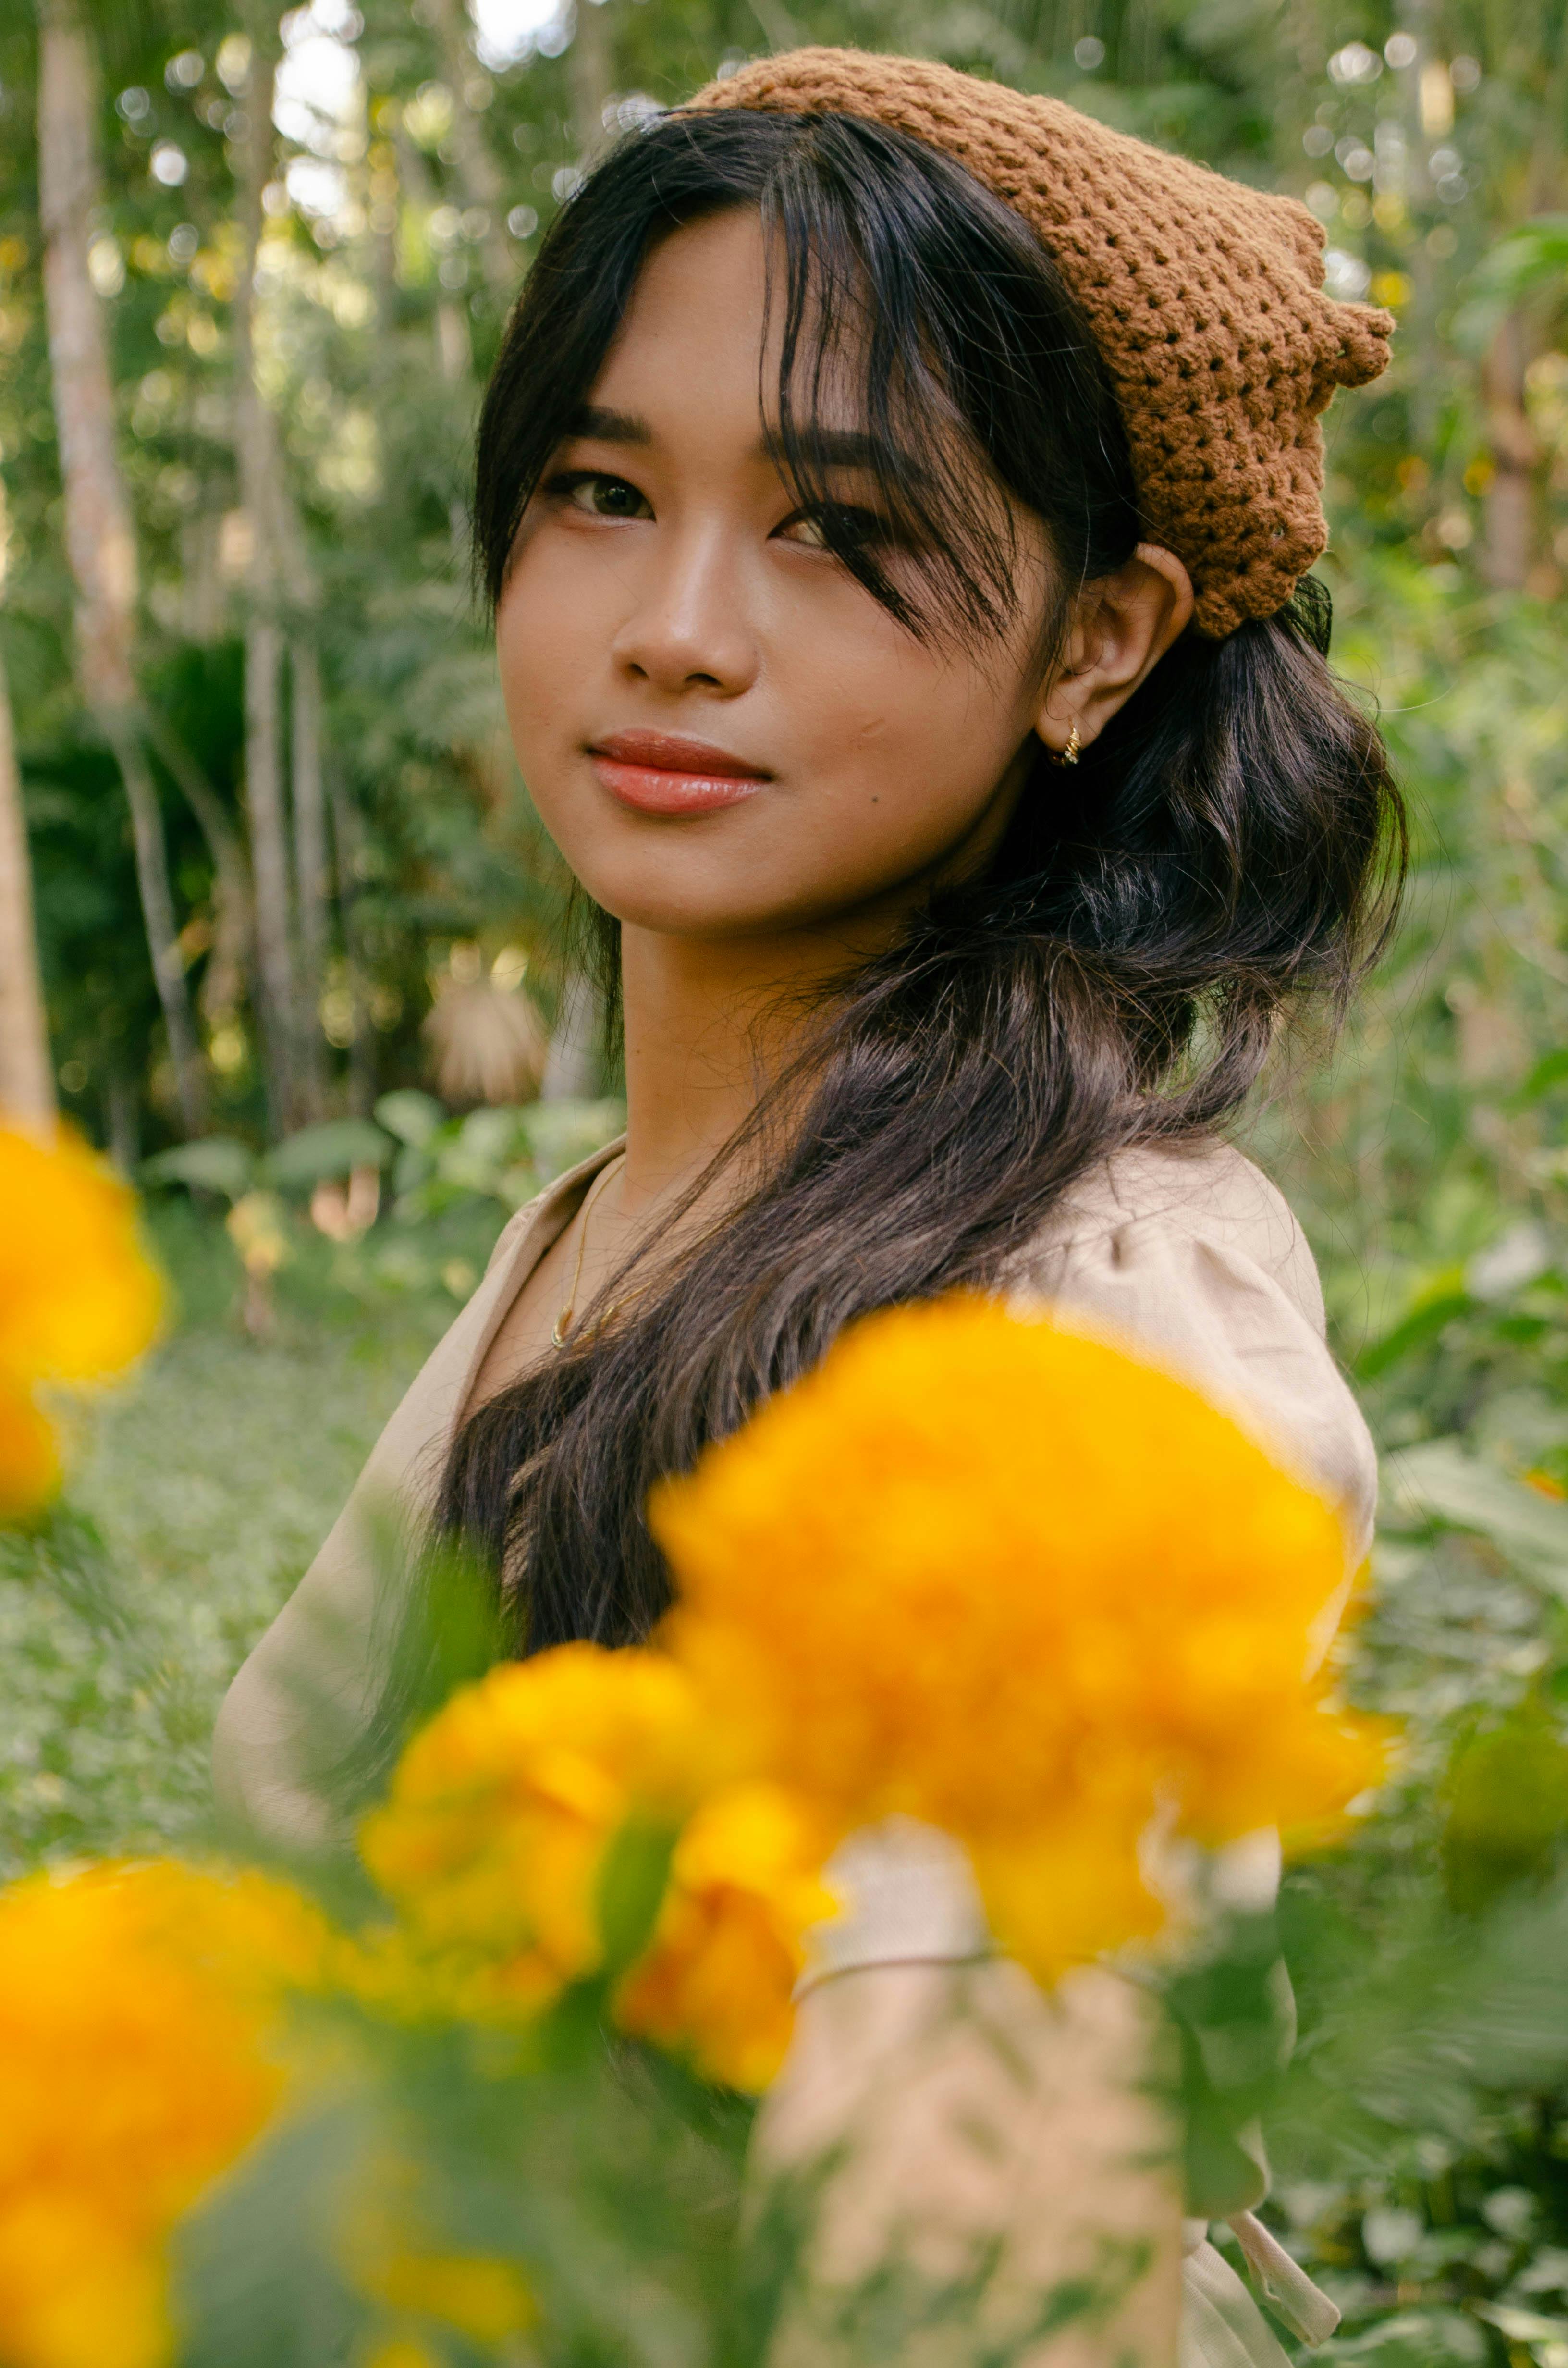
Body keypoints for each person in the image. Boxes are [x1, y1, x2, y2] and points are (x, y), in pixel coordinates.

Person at [216, 49, 1404, 2364]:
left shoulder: (1077, 1325)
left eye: (838, 533)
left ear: (1099, 642)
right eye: (596, 488)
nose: (672, 625)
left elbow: (963, 2272)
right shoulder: (603, 1226)